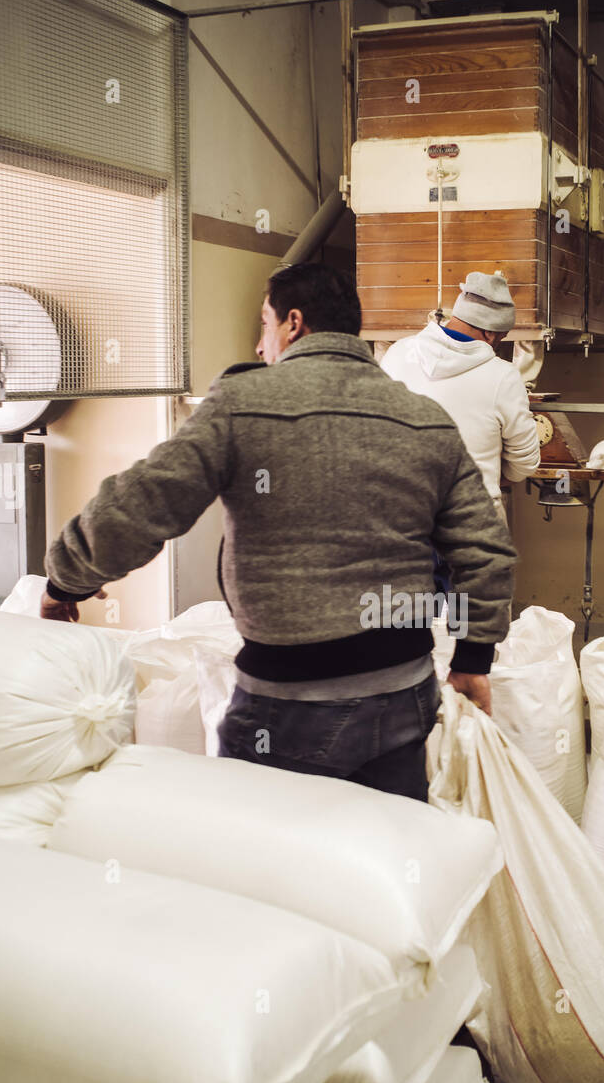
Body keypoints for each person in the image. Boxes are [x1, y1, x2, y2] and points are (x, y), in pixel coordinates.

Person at [41, 263, 516, 802]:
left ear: (293, 323)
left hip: (288, 704)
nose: (262, 347)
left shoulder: (245, 403)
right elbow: (486, 550)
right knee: (382, 860)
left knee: (266, 871)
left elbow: (140, 504)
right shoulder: (423, 418)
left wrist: (66, 582)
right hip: (404, 694)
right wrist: (473, 661)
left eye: (263, 325)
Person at [379, 271, 542, 511]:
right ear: (490, 333)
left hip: (401, 514)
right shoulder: (503, 375)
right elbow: (525, 463)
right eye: (502, 338)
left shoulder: (398, 353)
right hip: (470, 518)